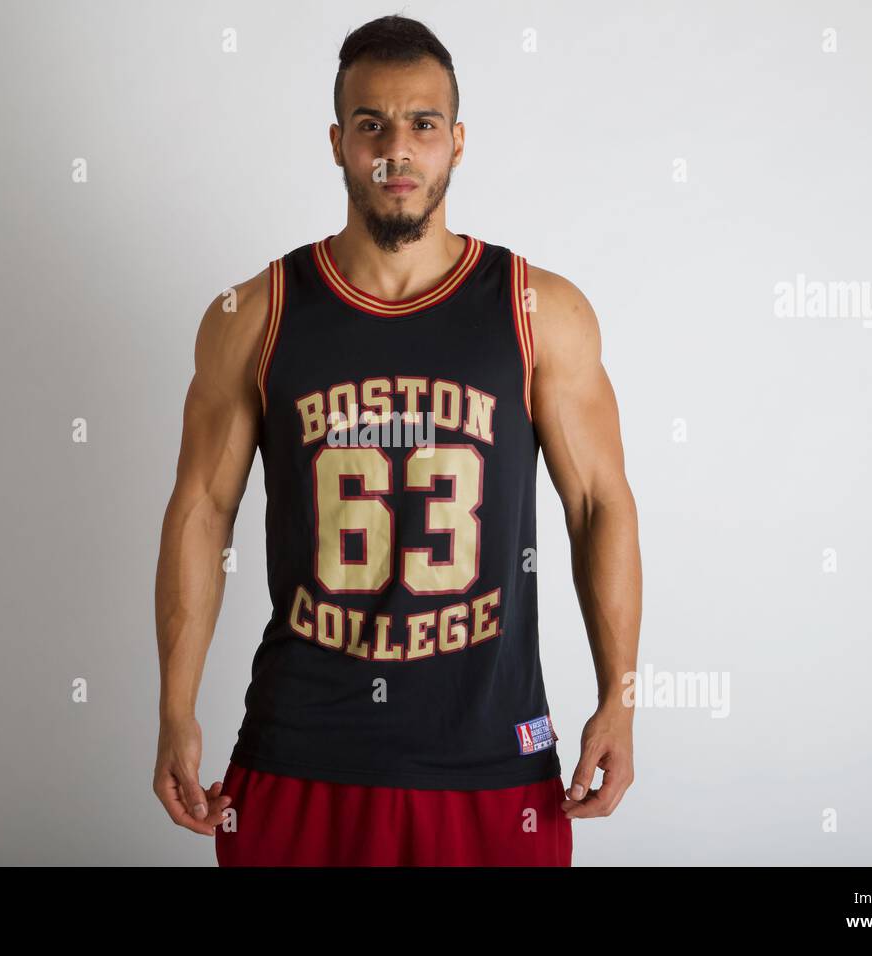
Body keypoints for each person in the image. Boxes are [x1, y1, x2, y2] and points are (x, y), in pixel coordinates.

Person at [153, 14, 641, 867]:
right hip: (301, 753)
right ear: (338, 142)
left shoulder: (538, 311)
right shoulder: (256, 316)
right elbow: (202, 510)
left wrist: (620, 700)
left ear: (456, 141)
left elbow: (600, 505)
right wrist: (175, 707)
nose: (397, 149)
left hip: (493, 760)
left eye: (421, 124)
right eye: (372, 124)